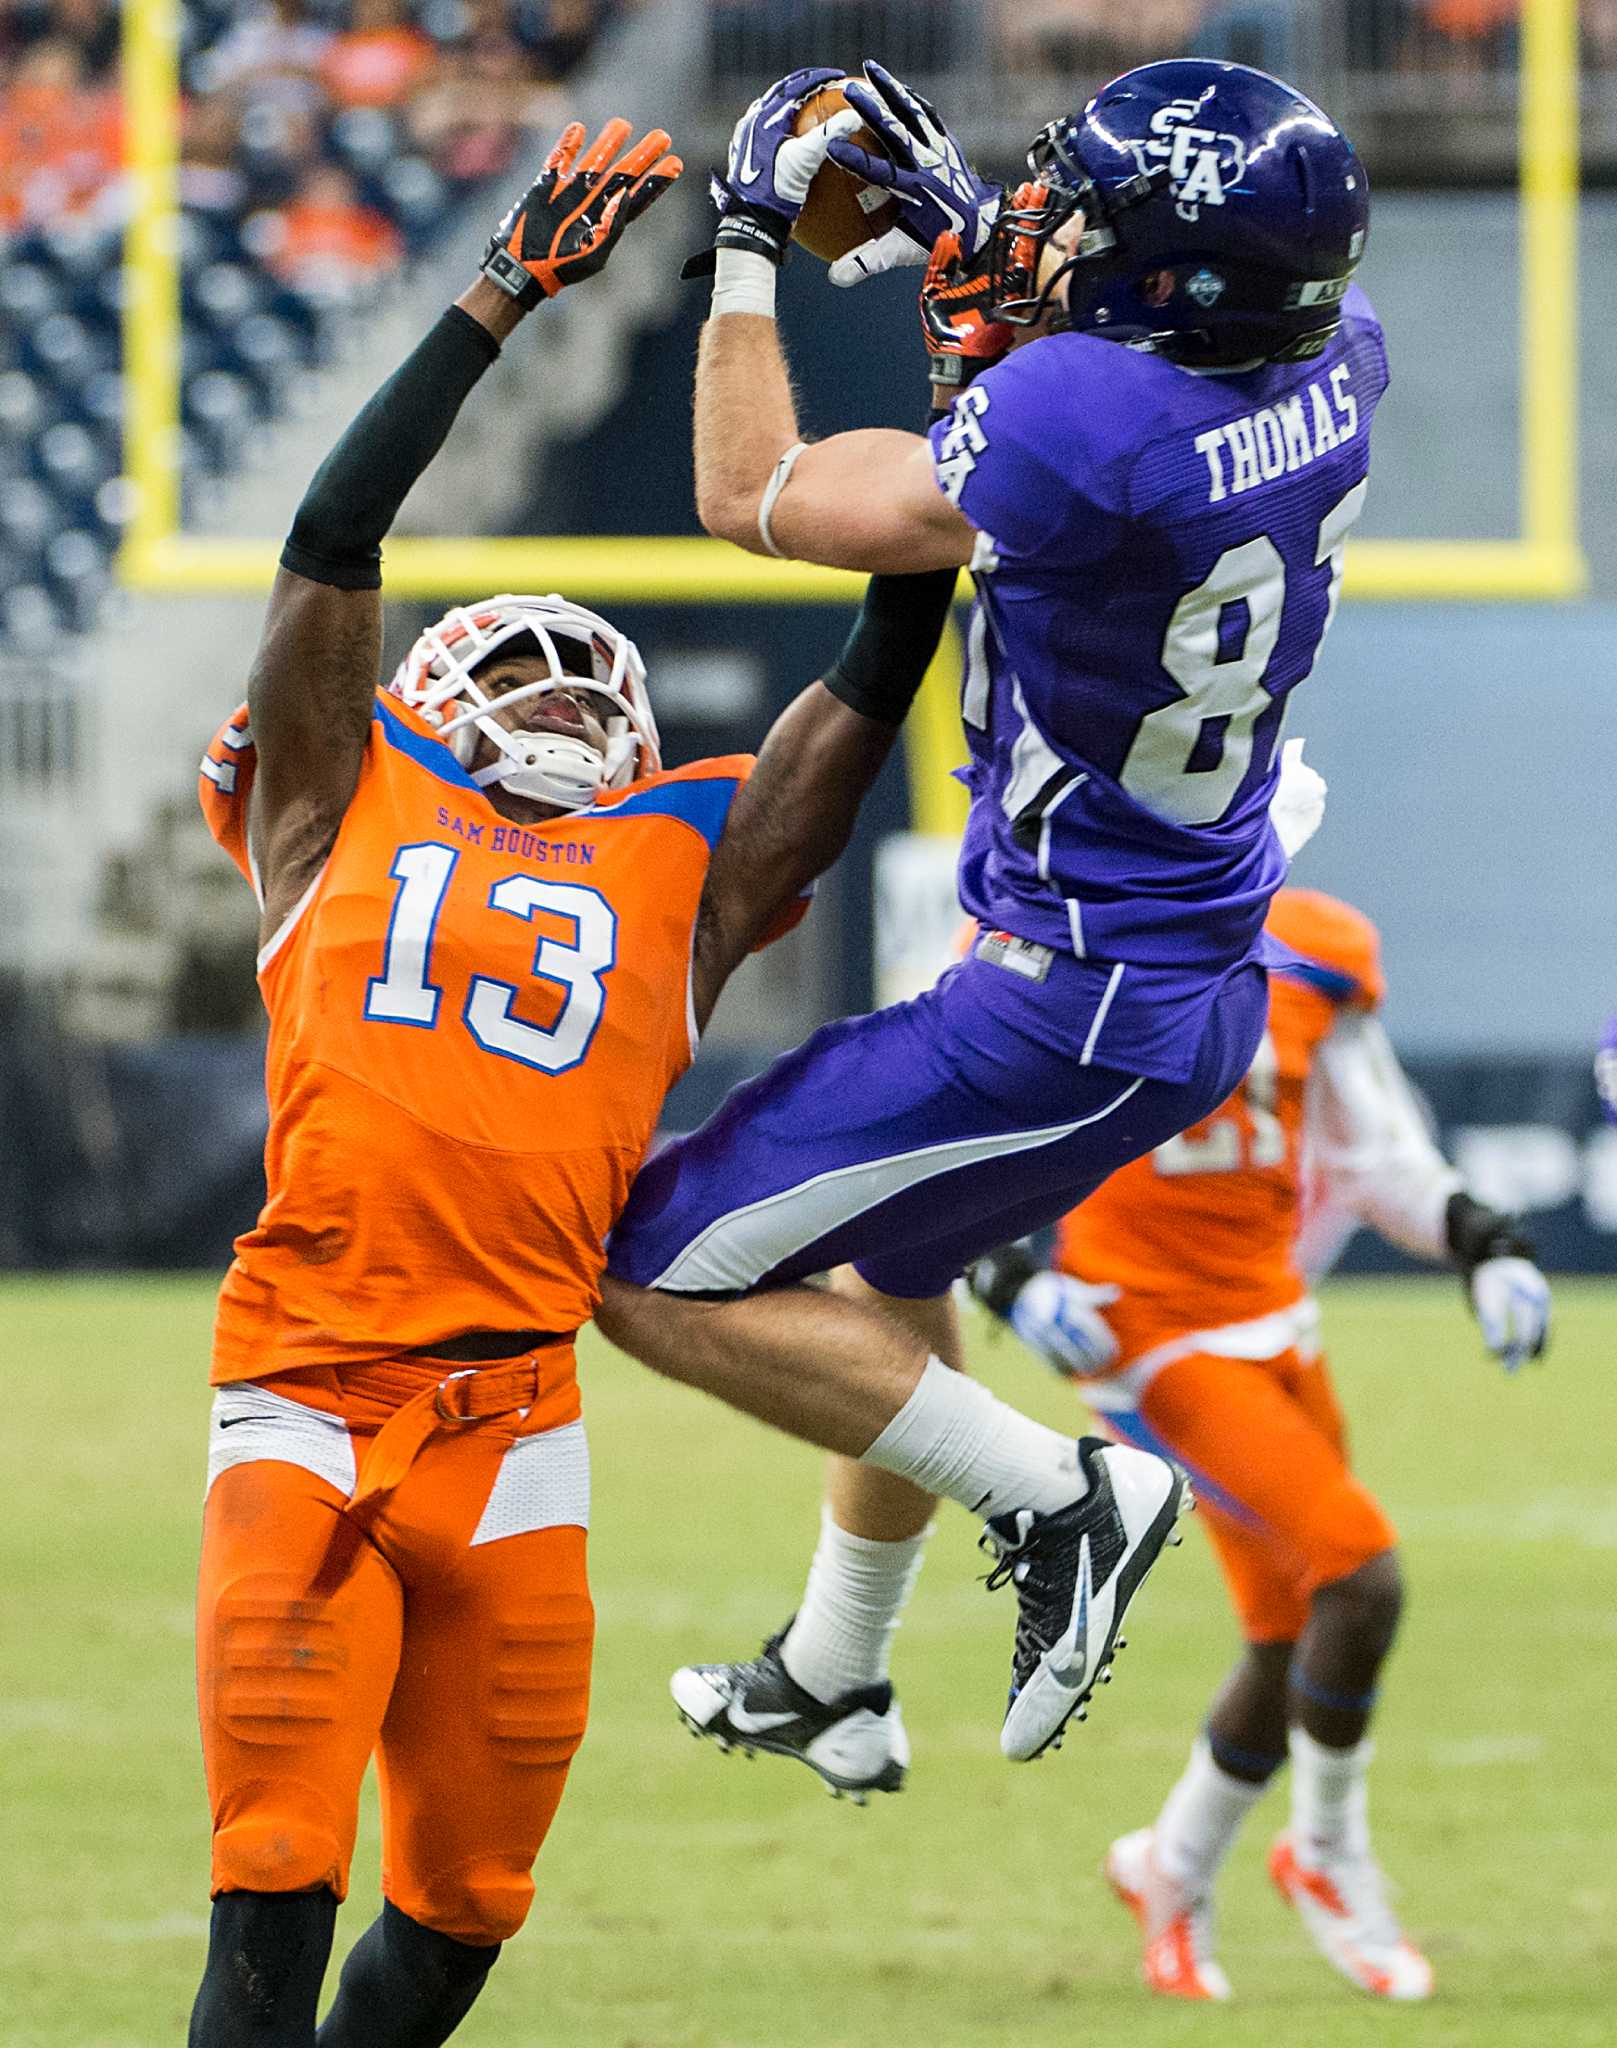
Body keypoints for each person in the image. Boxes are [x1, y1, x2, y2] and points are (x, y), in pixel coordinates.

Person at [187, 111, 1168, 2047]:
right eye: (522, 672)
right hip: (305, 1393)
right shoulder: (330, 809)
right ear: (426, 706)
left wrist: (950, 394)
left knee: (461, 1920)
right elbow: (329, 543)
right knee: (271, 1900)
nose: (565, 693)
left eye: (586, 673)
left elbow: (883, 658)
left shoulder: (681, 867)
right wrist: (495, 298)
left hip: (518, 1430)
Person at [594, 57, 1387, 1774]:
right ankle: (836, 1664)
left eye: (1085, 218)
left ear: (1163, 278)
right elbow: (1075, 411)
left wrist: (741, 239)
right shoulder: (1337, 351)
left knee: (647, 1270)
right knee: (890, 1264)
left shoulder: (1087, 423)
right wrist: (987, 281)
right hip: (1185, 964)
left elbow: (755, 493)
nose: (1046, 225)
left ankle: (1060, 1493)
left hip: (1063, 999)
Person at [963, 887, 1551, 2000]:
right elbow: (964, 1114)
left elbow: (1379, 1153)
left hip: (1275, 1318)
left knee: (1293, 1636)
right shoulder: (1061, 913)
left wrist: (1483, 1239)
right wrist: (1009, 1267)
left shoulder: (1320, 948)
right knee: (1362, 1577)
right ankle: (1327, 1853)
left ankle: (1170, 1864)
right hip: (1141, 1333)